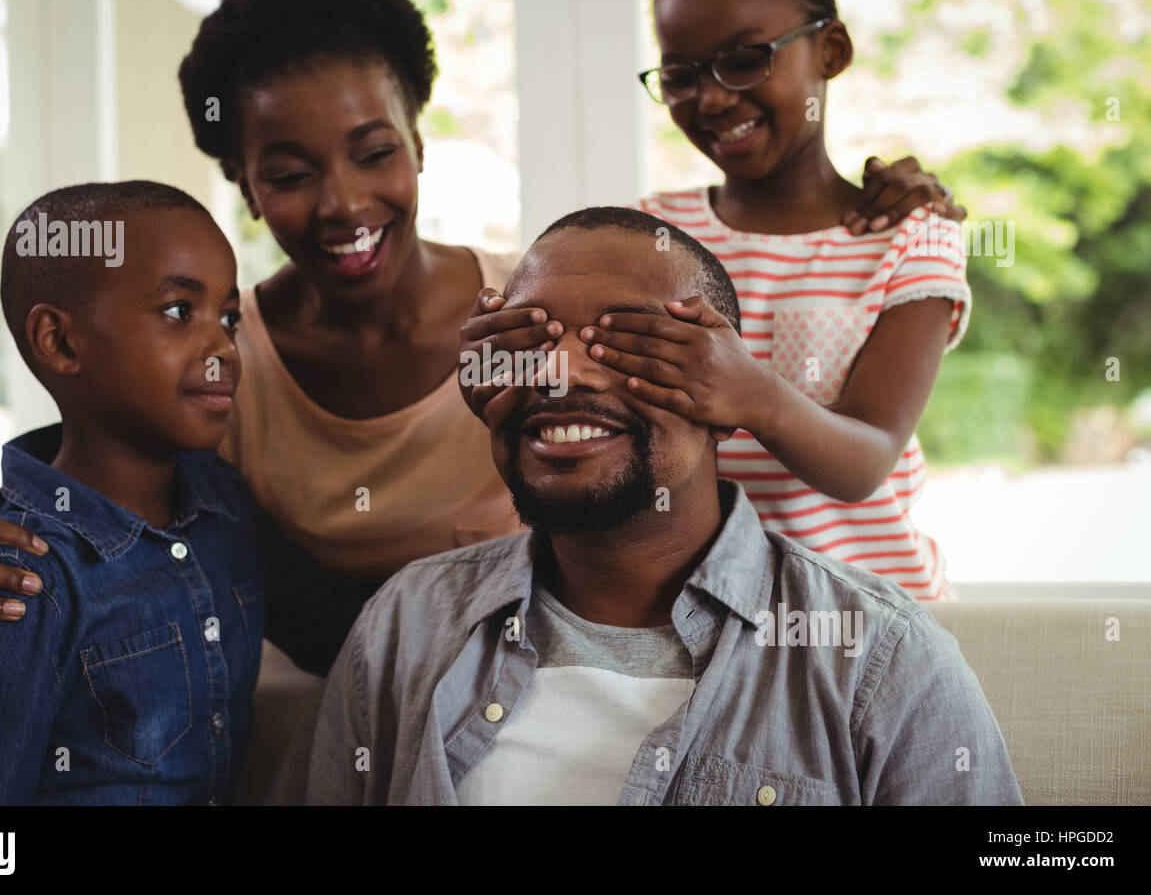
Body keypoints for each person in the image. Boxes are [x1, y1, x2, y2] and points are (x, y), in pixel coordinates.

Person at [0, 0, 960, 628]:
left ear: (415, 143)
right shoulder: (223, 365)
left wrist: (890, 192)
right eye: (290, 172)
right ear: (246, 188)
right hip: (372, 674)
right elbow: (118, 486)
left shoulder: (540, 307)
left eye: (372, 152)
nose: (343, 202)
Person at [283, 207, 1021, 806]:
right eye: (528, 341)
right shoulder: (406, 625)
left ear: (728, 394)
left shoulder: (874, 659)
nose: (560, 371)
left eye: (626, 343)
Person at [462, 0, 969, 600]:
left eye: (744, 60)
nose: (714, 99)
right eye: (681, 74)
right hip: (691, 613)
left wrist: (749, 392)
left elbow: (866, 460)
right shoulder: (646, 236)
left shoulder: (907, 237)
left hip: (859, 620)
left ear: (830, 51)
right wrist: (501, 371)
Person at [0, 182, 369, 805]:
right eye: (179, 311)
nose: (223, 351)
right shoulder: (15, 580)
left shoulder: (224, 506)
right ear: (61, 343)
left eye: (228, 319)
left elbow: (347, 631)